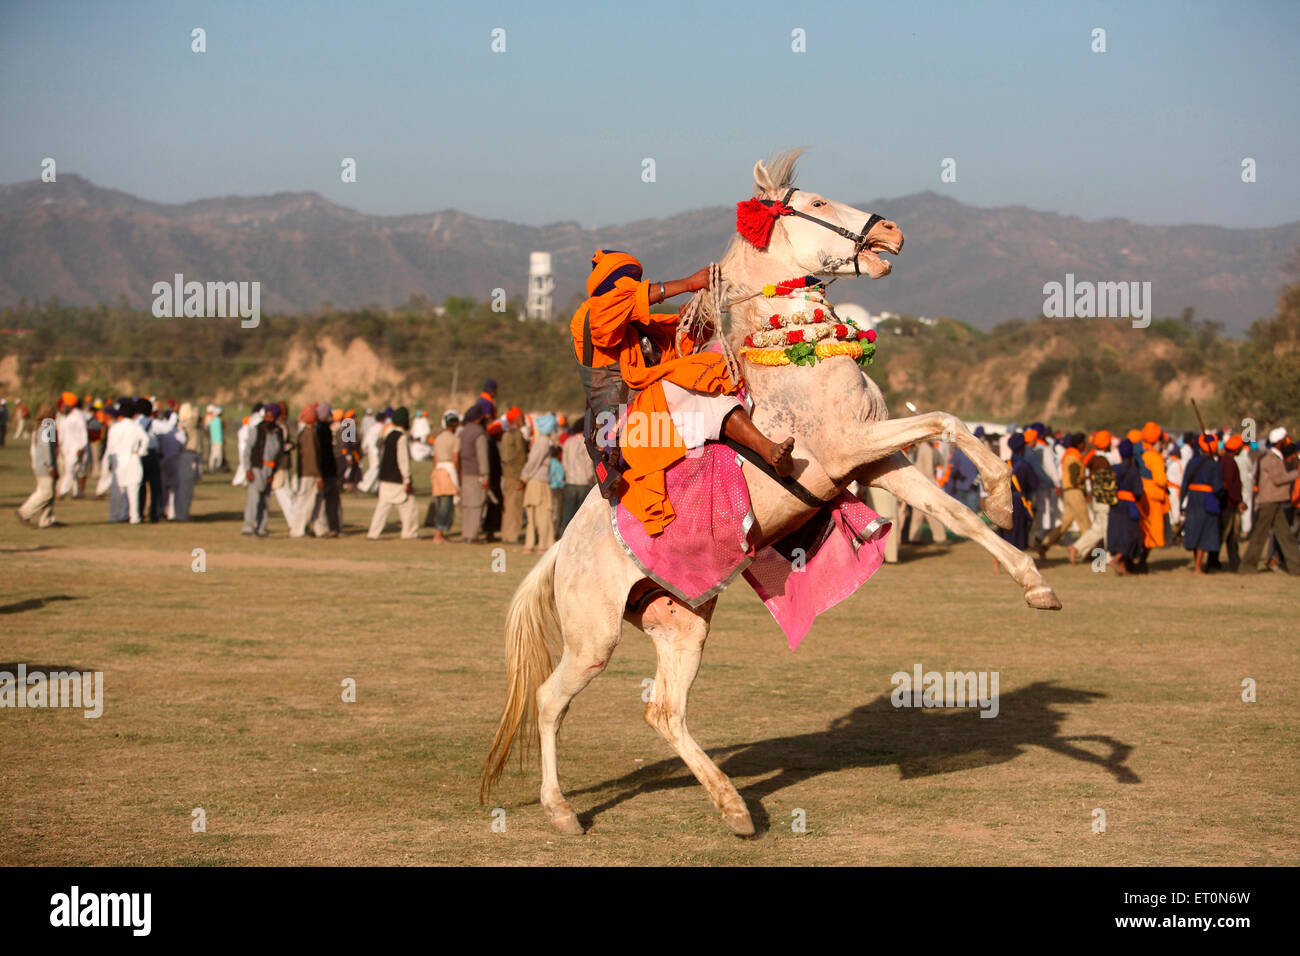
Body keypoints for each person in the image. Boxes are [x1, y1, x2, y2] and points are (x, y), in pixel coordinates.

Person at [571, 249, 793, 536]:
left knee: (714, 383)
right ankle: (766, 449)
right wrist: (688, 283)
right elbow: (611, 315)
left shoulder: (642, 327)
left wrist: (700, 310)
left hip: (652, 413)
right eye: (627, 285)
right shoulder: (588, 317)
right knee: (701, 389)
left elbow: (681, 343)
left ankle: (770, 455)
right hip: (621, 426)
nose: (634, 291)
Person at [1239, 438, 1300, 575]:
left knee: (1286, 536)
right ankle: (1247, 566)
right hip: (1269, 501)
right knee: (1260, 535)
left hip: (1276, 500)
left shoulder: (1274, 458)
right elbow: (1279, 479)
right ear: (1279, 443)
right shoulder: (1270, 459)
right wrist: (1297, 473)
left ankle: (1296, 567)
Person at [1037, 433, 1091, 562]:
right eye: (1084, 443)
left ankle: (1044, 545)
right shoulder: (1074, 457)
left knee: (1065, 524)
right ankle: (1089, 552)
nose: (1085, 445)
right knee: (1085, 523)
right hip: (1075, 492)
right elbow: (1074, 478)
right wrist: (1086, 479)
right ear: (1079, 444)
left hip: (1069, 492)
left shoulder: (1069, 455)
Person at [367, 406, 420, 540]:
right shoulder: (401, 437)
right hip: (397, 478)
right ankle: (409, 533)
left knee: (382, 508)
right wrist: (407, 480)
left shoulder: (389, 435)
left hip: (385, 477)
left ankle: (373, 533)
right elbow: (403, 461)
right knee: (410, 506)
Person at [1180, 434, 1224, 576]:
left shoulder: (1192, 462)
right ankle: (1198, 567)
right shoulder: (1214, 465)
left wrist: (1182, 503)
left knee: (1194, 530)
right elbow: (1218, 487)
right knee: (1204, 533)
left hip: (1192, 500)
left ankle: (1197, 564)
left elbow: (1185, 484)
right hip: (1207, 500)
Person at [1072, 430, 1116, 564]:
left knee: (1099, 528)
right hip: (1104, 498)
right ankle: (1108, 557)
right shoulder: (1103, 460)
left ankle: (1077, 547)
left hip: (1096, 498)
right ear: (1105, 444)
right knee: (1106, 528)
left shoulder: (1093, 458)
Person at [995, 432, 1038, 568]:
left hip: (1003, 500)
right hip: (1018, 502)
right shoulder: (1024, 466)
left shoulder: (1003, 464)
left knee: (1003, 533)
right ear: (1022, 449)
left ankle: (997, 562)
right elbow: (1034, 485)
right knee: (1017, 533)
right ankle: (1014, 564)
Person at [242, 403, 284, 537]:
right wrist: (248, 469)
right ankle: (248, 527)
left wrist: (274, 471)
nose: (268, 418)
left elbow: (279, 453)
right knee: (253, 499)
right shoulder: (257, 430)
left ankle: (261, 528)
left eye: (271, 416)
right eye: (267, 415)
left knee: (265, 501)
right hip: (256, 468)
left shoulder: (278, 432)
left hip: (270, 469)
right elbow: (248, 451)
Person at [16, 404, 59, 527]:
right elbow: (46, 448)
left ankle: (46, 520)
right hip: (45, 465)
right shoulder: (48, 425)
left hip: (43, 464)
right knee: (46, 492)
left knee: (49, 493)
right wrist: (51, 467)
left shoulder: (42, 425)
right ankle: (24, 512)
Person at [1134, 421, 1169, 573]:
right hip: (1152, 498)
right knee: (1150, 533)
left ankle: (1136, 562)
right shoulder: (1154, 457)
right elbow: (1160, 480)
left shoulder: (1138, 451)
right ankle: (1141, 563)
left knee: (1141, 531)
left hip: (1139, 494)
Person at [1108, 439, 1146, 575]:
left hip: (1115, 504)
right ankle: (1117, 559)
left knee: (1118, 534)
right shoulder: (1133, 470)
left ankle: (1122, 568)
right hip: (1129, 506)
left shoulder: (1114, 468)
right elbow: (1138, 491)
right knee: (1132, 535)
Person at [521, 414, 557, 554]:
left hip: (534, 482)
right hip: (539, 482)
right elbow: (534, 462)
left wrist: (524, 476)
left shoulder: (541, 442)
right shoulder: (543, 442)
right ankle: (542, 544)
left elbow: (532, 462)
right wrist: (524, 477)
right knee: (543, 514)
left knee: (533, 515)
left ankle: (530, 545)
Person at [288, 404, 323, 537]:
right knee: (306, 503)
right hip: (310, 473)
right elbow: (311, 456)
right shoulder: (309, 434)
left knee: (304, 502)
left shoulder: (305, 432)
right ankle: (298, 530)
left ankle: (301, 528)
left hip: (307, 472)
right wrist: (318, 476)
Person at [1213, 434, 1246, 572]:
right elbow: (1228, 485)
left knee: (1232, 536)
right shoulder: (1228, 462)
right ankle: (1212, 562)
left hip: (1230, 503)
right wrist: (1237, 501)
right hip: (1228, 504)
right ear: (1236, 449)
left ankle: (1235, 563)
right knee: (1223, 534)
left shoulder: (1226, 460)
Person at [457, 405, 490, 542]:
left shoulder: (462, 432)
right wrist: (485, 475)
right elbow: (482, 457)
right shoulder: (479, 434)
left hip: (464, 473)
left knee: (467, 506)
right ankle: (473, 535)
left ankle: (466, 534)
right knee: (477, 505)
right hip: (477, 474)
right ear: (478, 419)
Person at [427, 410, 460, 543]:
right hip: (449, 470)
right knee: (446, 504)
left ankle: (441, 532)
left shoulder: (438, 438)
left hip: (438, 469)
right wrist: (457, 475)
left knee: (440, 502)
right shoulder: (455, 439)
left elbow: (435, 458)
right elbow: (456, 459)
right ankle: (438, 534)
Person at [559, 417, 594, 535]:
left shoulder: (568, 442)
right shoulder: (586, 443)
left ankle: (562, 539)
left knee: (568, 514)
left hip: (570, 483)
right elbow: (589, 465)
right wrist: (591, 481)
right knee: (581, 517)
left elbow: (564, 463)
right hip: (583, 483)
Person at [499, 407, 527, 544]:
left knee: (509, 504)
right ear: (516, 418)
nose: (523, 419)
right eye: (521, 416)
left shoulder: (507, 434)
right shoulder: (515, 434)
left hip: (509, 474)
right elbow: (518, 456)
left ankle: (506, 534)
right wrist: (521, 477)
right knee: (514, 506)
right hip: (515, 475)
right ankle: (511, 536)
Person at [55, 392, 88, 499]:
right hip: (66, 449)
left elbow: (83, 433)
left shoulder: (78, 416)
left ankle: (62, 492)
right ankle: (77, 493)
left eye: (64, 403)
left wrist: (81, 448)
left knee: (70, 470)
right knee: (73, 471)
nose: (62, 405)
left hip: (76, 449)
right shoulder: (66, 416)